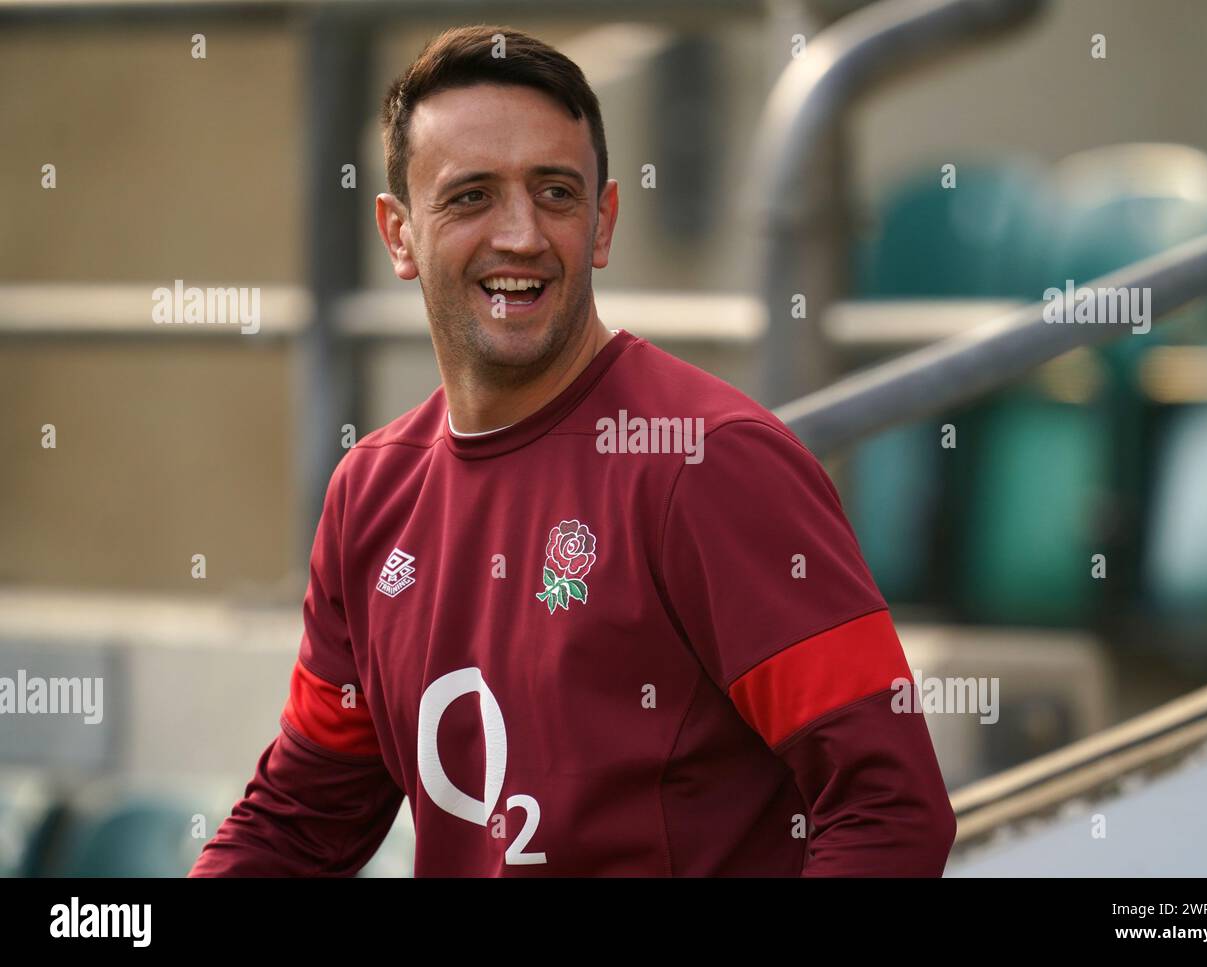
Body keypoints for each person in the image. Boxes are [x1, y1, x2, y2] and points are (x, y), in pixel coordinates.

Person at [190, 24, 955, 876]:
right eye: (471, 196)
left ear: (602, 222)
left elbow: (890, 811)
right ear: (398, 235)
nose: (520, 235)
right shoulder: (370, 492)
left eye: (555, 193)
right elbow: (298, 821)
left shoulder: (712, 462)